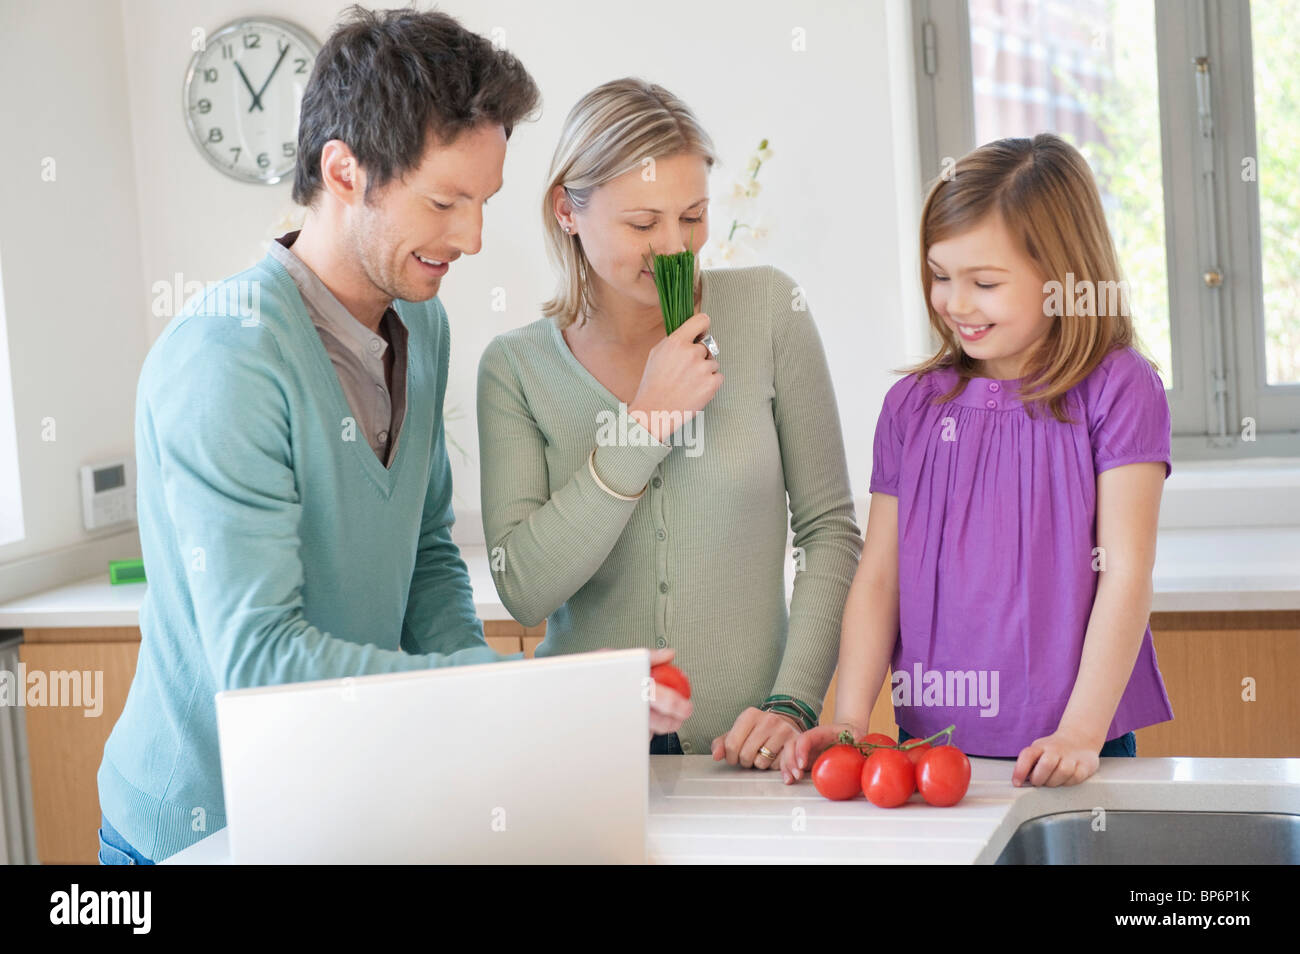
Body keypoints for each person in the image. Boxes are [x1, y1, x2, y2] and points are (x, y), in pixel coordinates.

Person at [96, 8, 688, 865]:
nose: (472, 238)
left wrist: (497, 710)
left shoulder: (422, 323)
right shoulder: (227, 357)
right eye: (444, 202)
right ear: (344, 171)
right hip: (204, 830)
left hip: (348, 801)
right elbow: (259, 664)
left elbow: (426, 556)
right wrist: (533, 696)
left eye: (482, 203)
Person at [476, 78, 862, 769]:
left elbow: (828, 531)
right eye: (642, 224)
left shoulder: (770, 311)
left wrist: (792, 704)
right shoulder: (515, 368)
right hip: (582, 755)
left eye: (692, 216)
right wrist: (644, 426)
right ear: (567, 210)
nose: (676, 247)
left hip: (747, 755)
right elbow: (525, 589)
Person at [790, 133, 1174, 788]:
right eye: (940, 276)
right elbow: (879, 577)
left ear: (1063, 279)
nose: (956, 303)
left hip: (1077, 747)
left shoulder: (1119, 389)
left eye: (985, 283)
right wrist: (850, 719)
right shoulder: (912, 406)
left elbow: (1125, 572)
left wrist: (1080, 734)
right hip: (930, 745)